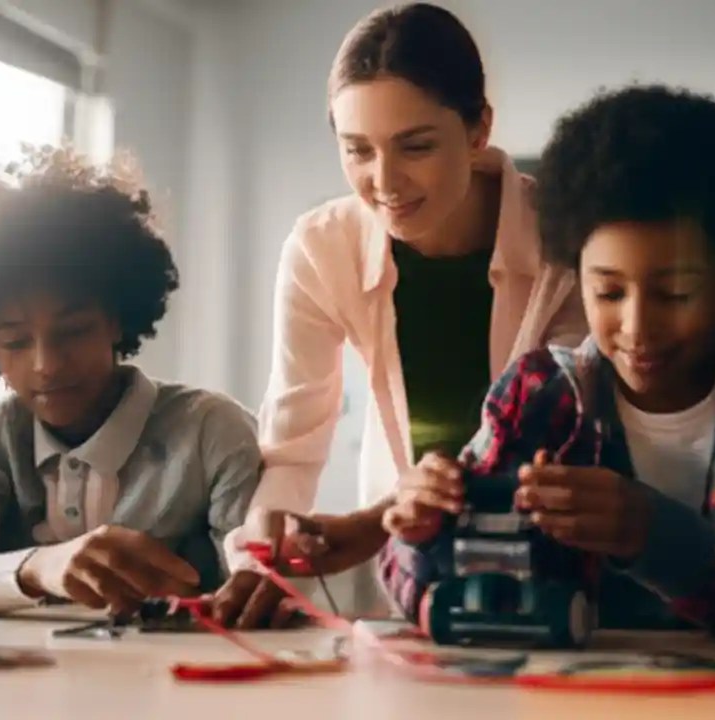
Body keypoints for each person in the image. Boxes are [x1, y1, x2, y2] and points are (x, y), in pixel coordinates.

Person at [380, 86, 715, 635]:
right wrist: (418, 537)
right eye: (608, 294)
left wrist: (650, 534)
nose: (637, 329)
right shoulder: (539, 396)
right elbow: (436, 586)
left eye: (674, 294)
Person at [214, 2, 585, 627]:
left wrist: (370, 521)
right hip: (410, 568)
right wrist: (262, 555)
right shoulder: (322, 247)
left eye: (414, 146)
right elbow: (292, 447)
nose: (384, 181)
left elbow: (552, 437)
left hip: (552, 560)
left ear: (478, 130)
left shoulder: (565, 236)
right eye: (357, 149)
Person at [0, 147, 262, 616]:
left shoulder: (212, 431)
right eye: (16, 342)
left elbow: (262, 586)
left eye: (73, 332)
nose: (46, 365)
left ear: (117, 320)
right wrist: (37, 568)